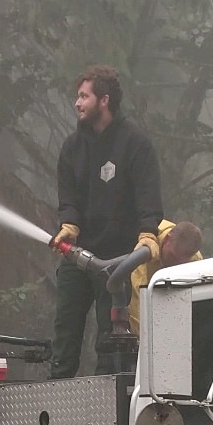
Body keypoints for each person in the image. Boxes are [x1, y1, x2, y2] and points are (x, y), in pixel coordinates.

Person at [49, 65, 162, 378]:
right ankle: (58, 387)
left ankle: (106, 392)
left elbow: (148, 197)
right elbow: (68, 198)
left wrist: (148, 234)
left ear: (104, 100)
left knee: (109, 337)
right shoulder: (72, 148)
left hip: (117, 259)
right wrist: (69, 224)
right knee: (65, 327)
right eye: (77, 96)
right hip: (78, 254)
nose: (77, 103)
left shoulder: (135, 144)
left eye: (84, 96)